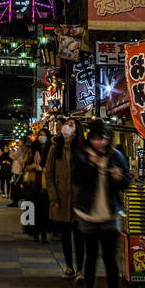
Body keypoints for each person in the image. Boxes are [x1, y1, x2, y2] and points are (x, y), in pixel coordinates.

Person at [73, 119, 131, 288]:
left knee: (110, 259)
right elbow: (77, 179)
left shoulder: (117, 156)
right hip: (88, 214)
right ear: (91, 138)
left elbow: (127, 181)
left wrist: (118, 178)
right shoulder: (82, 155)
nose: (100, 142)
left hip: (110, 214)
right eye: (97, 138)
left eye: (104, 138)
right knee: (91, 257)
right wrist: (91, 165)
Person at [45, 117, 86, 279]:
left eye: (71, 125)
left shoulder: (82, 149)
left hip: (78, 199)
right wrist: (53, 197)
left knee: (79, 235)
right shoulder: (56, 148)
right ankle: (69, 266)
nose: (66, 128)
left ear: (77, 130)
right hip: (61, 198)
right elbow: (48, 174)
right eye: (65, 125)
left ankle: (80, 269)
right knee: (65, 235)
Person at [21, 125, 51, 241]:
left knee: (45, 210)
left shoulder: (51, 149)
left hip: (46, 184)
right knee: (33, 209)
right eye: (40, 135)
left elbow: (52, 168)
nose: (42, 137)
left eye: (44, 135)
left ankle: (44, 232)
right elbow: (25, 165)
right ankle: (35, 232)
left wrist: (42, 169)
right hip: (33, 183)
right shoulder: (32, 148)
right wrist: (33, 166)